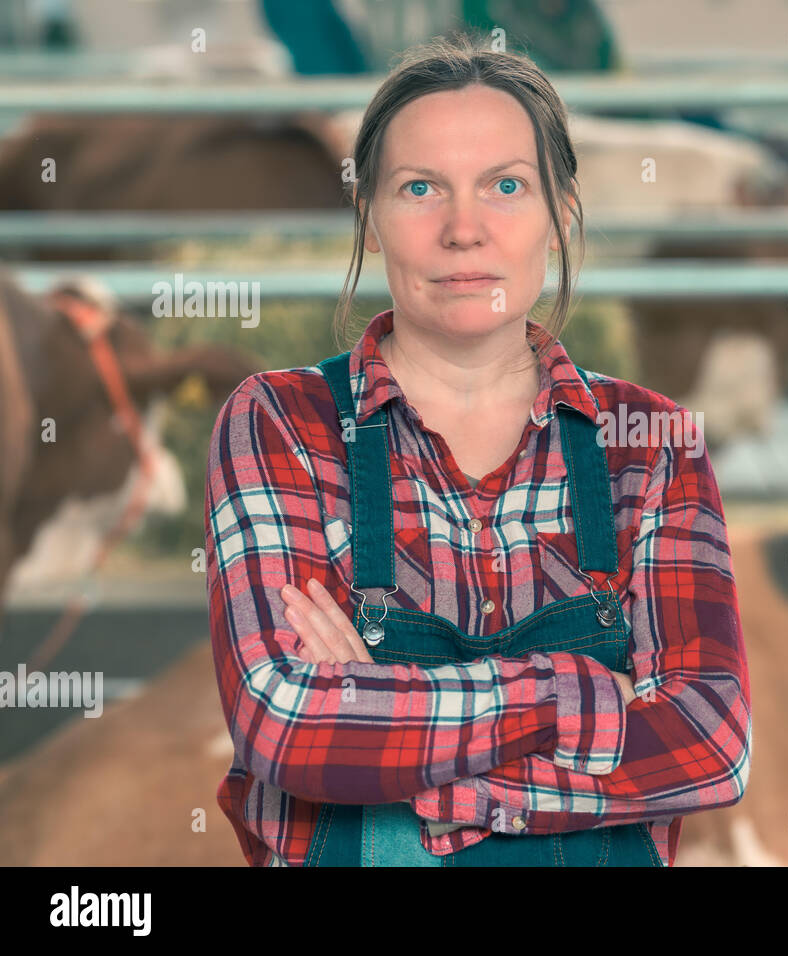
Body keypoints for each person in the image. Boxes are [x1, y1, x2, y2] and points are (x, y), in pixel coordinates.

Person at [204, 32, 751, 867]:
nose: (464, 230)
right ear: (372, 220)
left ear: (561, 216)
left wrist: (402, 741)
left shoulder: (650, 444)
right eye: (420, 188)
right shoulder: (283, 422)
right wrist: (578, 692)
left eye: (505, 185)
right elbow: (285, 723)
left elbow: (710, 741)